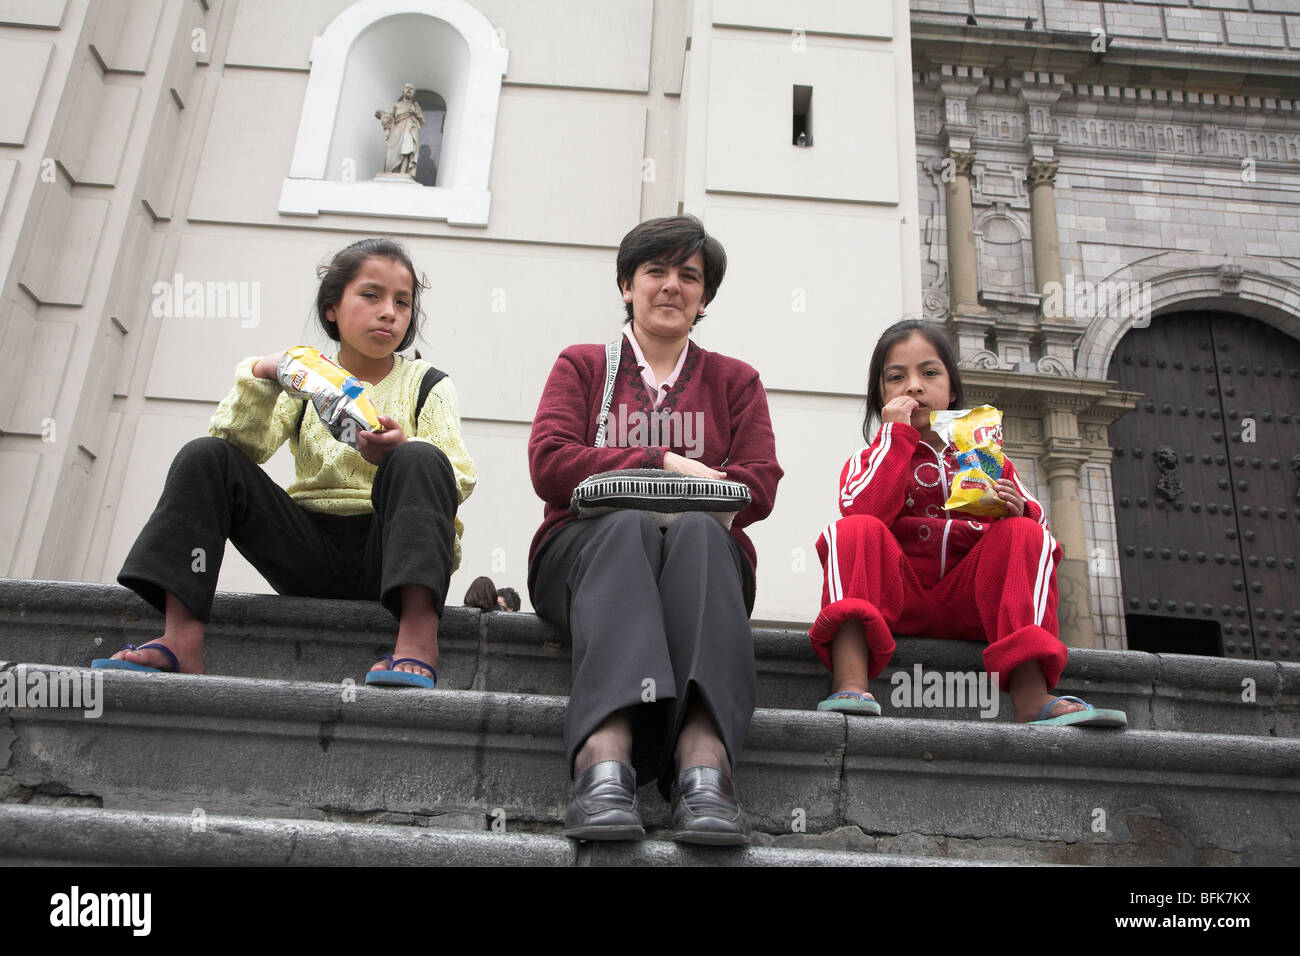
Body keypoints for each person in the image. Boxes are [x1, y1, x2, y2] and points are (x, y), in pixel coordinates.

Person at [96, 238, 476, 689]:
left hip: (389, 551)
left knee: (419, 456)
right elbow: (236, 448)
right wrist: (263, 373)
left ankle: (416, 642)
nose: (389, 311)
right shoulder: (307, 378)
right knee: (204, 455)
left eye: (402, 302)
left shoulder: (427, 382)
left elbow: (457, 477)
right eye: (371, 295)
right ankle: (181, 639)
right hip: (307, 548)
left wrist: (397, 451)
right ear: (332, 307)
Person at [528, 215, 783, 845]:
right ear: (626, 285)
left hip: (700, 566)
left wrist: (699, 496)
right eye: (655, 272)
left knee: (699, 534)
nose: (672, 286)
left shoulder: (735, 380)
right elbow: (550, 462)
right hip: (585, 558)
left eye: (689, 276)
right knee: (627, 530)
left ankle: (705, 767)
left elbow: (761, 483)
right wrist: (657, 462)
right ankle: (603, 761)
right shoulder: (584, 365)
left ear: (705, 297)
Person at [811, 319, 1125, 727]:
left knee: (1025, 532)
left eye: (929, 373)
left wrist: (1016, 509)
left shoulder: (983, 454)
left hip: (974, 604)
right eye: (896, 377)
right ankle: (850, 682)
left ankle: (1031, 694)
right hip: (897, 601)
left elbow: (1038, 524)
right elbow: (863, 508)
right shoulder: (871, 457)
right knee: (852, 529)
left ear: (952, 390)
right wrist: (895, 438)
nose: (914, 386)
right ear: (882, 396)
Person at [375, 83, 424, 177]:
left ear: (414, 93)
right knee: (392, 149)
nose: (409, 90)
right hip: (398, 129)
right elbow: (390, 117)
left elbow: (421, 120)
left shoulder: (415, 105)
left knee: (407, 150)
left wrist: (414, 112)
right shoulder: (396, 104)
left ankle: (403, 172)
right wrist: (382, 115)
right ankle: (390, 170)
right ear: (403, 90)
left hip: (409, 128)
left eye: (412, 89)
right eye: (407, 88)